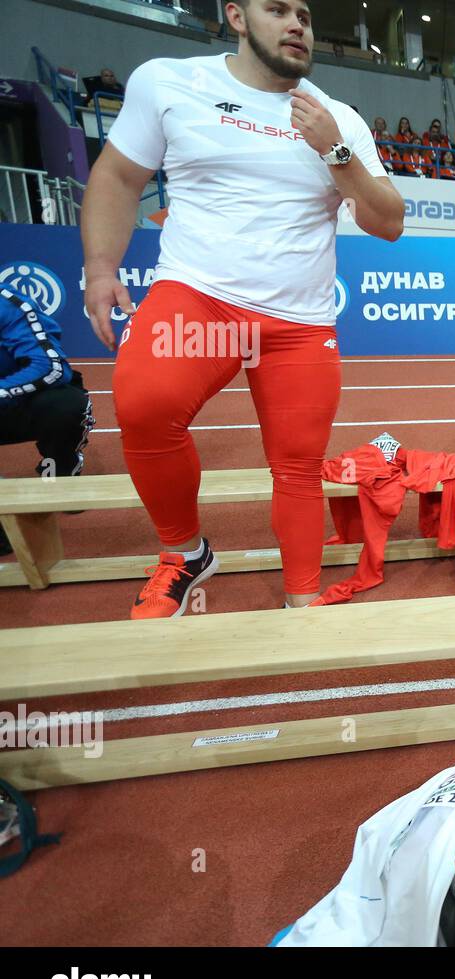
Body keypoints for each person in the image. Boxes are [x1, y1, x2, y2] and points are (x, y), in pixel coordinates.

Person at [82, 0, 404, 618]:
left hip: (297, 326)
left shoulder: (337, 119)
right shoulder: (169, 81)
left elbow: (387, 222)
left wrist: (335, 152)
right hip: (200, 302)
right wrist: (101, 269)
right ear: (235, 16)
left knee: (297, 466)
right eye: (277, 10)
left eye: (305, 16)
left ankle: (301, 603)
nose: (296, 25)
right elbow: (120, 177)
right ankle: (184, 553)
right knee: (145, 404)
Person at [0, 283, 95, 555]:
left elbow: (51, 368)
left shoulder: (7, 303)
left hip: (17, 401)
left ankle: (57, 470)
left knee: (65, 405)